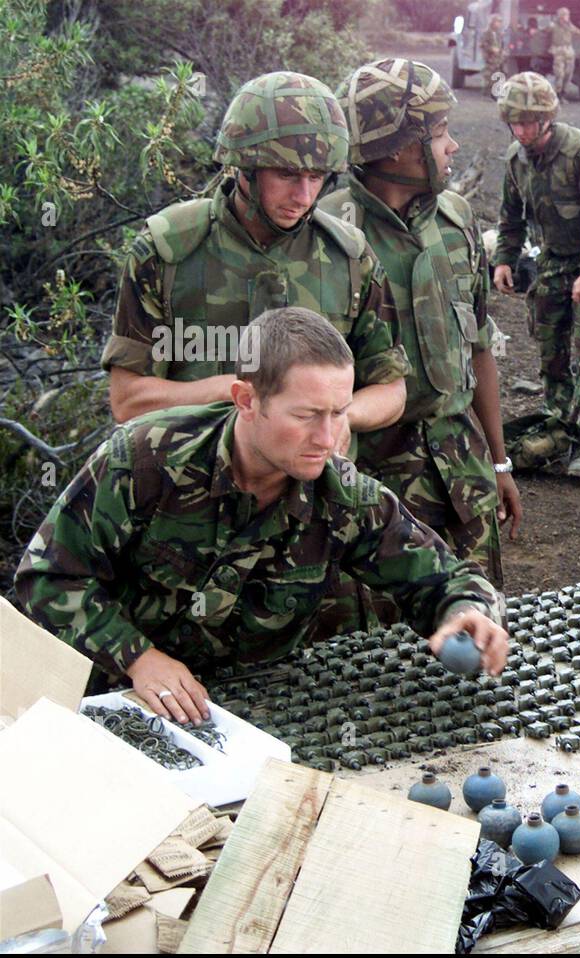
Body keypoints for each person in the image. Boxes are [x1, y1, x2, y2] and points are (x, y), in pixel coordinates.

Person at [17, 307, 510, 726]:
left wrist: (469, 613)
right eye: (306, 415)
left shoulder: (343, 497)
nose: (328, 436)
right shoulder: (145, 461)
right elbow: (48, 576)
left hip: (255, 713)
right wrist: (138, 658)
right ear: (247, 401)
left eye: (338, 413)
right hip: (122, 699)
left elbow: (444, 579)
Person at [102, 71, 409, 445]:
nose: (304, 195)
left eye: (317, 178)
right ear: (245, 167)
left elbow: (391, 388)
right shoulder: (169, 249)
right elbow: (128, 400)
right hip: (190, 486)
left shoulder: (348, 256)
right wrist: (226, 392)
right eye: (287, 175)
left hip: (307, 491)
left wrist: (343, 418)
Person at [324, 59, 521, 594]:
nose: (452, 146)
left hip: (464, 477)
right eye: (438, 134)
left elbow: (479, 349)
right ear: (395, 146)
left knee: (480, 632)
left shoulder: (455, 221)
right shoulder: (327, 240)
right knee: (382, 656)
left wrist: (499, 463)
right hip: (375, 489)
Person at [491, 71, 580, 481]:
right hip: (549, 265)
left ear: (547, 119)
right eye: (517, 122)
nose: (524, 130)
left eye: (531, 121)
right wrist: (504, 259)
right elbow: (510, 216)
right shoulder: (516, 159)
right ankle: (556, 432)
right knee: (552, 353)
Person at [548, 6, 580, 101]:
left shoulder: (569, 26)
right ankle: (557, 94)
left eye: (567, 14)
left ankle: (563, 94)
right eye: (565, 15)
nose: (567, 16)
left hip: (569, 53)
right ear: (560, 16)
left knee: (568, 74)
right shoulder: (553, 26)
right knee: (559, 74)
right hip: (558, 52)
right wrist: (532, 31)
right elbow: (543, 32)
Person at [482, 13, 507, 97]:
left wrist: (502, 51)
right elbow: (483, 44)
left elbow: (501, 44)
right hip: (490, 58)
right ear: (492, 22)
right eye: (497, 21)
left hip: (498, 58)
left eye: (500, 22)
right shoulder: (487, 33)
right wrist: (491, 48)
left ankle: (495, 92)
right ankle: (487, 93)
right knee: (489, 75)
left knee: (499, 75)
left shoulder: (499, 34)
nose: (499, 23)